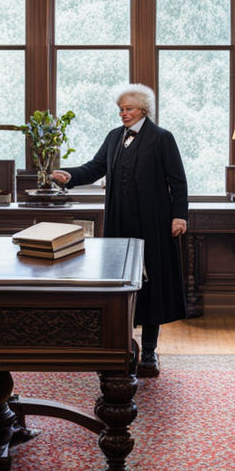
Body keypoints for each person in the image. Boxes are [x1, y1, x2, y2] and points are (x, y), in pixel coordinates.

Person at [52, 84, 187, 377]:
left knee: (152, 284)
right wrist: (69, 176)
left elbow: (178, 180)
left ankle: (149, 352)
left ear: (143, 110)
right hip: (119, 222)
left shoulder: (162, 138)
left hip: (153, 222)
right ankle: (123, 347)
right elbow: (95, 167)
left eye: (129, 109)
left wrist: (179, 216)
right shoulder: (114, 137)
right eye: (121, 109)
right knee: (119, 285)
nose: (123, 114)